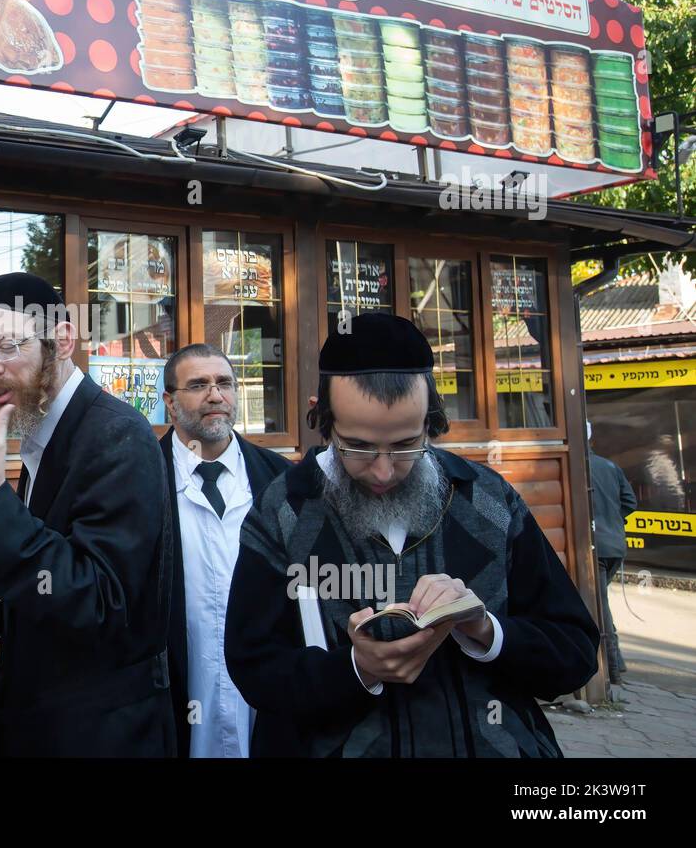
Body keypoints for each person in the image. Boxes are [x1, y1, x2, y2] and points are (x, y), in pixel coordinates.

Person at [225, 312, 599, 757]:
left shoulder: (488, 500)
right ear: (324, 419)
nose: (383, 470)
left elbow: (574, 653)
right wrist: (355, 669)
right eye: (358, 446)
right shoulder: (283, 510)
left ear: (431, 421)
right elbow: (253, 668)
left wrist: (486, 630)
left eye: (406, 445)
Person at [0, 273, 176, 756]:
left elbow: (100, 602)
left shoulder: (117, 436)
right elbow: (50, 570)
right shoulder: (40, 429)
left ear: (62, 340)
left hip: (98, 734)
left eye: (6, 346)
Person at [159, 343, 290, 758]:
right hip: (175, 684)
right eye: (198, 385)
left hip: (265, 686)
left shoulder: (280, 478)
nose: (215, 395)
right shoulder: (139, 477)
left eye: (224, 384)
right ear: (170, 402)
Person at [587, 421, 637, 685]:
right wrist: (613, 523)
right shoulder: (610, 466)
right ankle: (618, 662)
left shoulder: (580, 467)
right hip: (616, 544)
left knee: (600, 605)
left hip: (593, 545)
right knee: (601, 601)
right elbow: (630, 502)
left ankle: (613, 668)